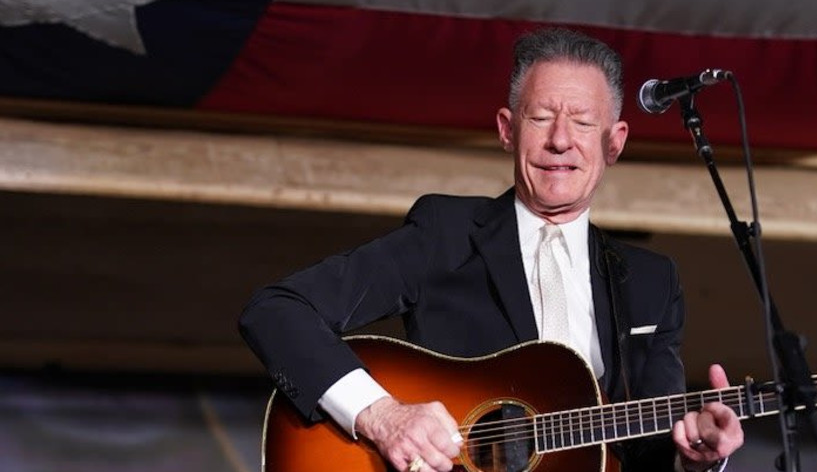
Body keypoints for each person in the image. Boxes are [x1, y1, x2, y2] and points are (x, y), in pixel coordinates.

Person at [239, 28, 744, 472]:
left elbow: (652, 452)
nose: (560, 140)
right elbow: (277, 311)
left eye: (584, 124)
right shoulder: (445, 234)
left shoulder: (652, 282)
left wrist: (695, 458)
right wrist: (383, 415)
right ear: (507, 129)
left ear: (615, 142)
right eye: (541, 117)